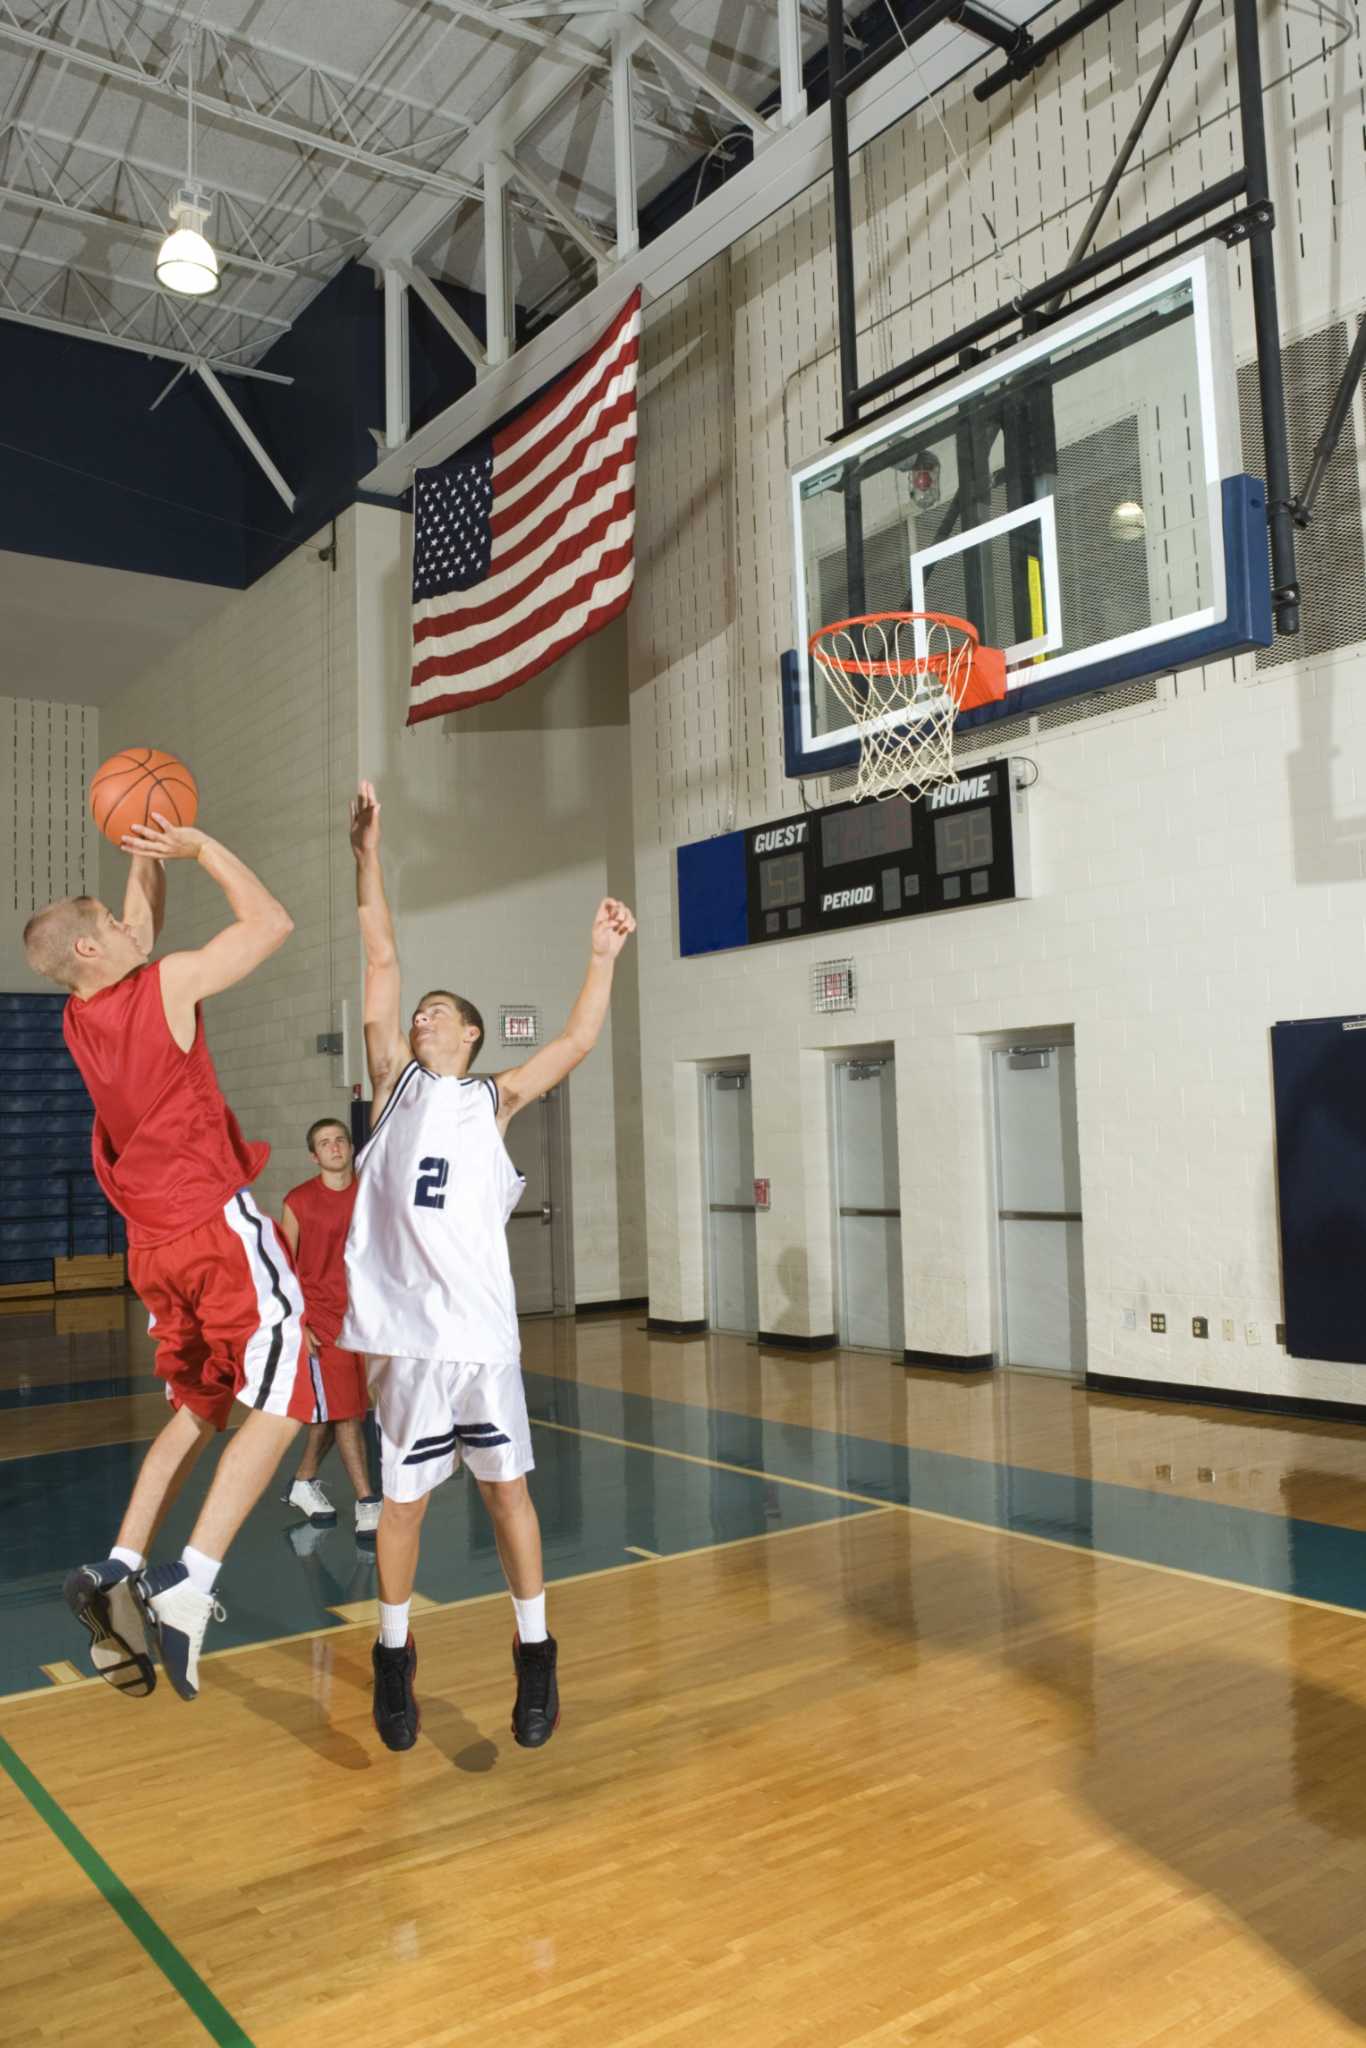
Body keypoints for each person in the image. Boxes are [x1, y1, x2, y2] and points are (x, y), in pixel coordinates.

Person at [340, 779, 636, 1753]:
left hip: (480, 1339)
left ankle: (536, 1646)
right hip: (408, 1341)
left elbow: (578, 1039)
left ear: (467, 1033)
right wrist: (365, 853)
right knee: (403, 1502)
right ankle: (394, 1655)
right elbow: (380, 952)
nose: (420, 1017)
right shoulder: (391, 1086)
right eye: (416, 1013)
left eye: (437, 1013)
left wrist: (599, 954)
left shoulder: (491, 1099)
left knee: (508, 1492)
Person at [23, 815, 309, 1704]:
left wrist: (143, 856)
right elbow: (271, 925)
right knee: (293, 1377)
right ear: (85, 941)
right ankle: (190, 1581)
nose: (125, 923)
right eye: (106, 919)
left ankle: (117, 1563)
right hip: (214, 1229)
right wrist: (204, 849)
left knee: (201, 1401)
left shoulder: (80, 1013)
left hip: (152, 1249)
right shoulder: (168, 986)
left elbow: (133, 935)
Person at [279, 1117, 382, 1537]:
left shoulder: (370, 1195)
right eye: (324, 1143)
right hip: (321, 1322)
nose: (334, 1147)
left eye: (340, 1140)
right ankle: (367, 1502)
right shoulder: (298, 1200)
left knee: (336, 1411)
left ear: (350, 1147)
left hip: (366, 1321)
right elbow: (283, 1269)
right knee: (345, 1416)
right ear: (313, 1155)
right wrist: (296, 1323)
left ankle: (303, 1482)